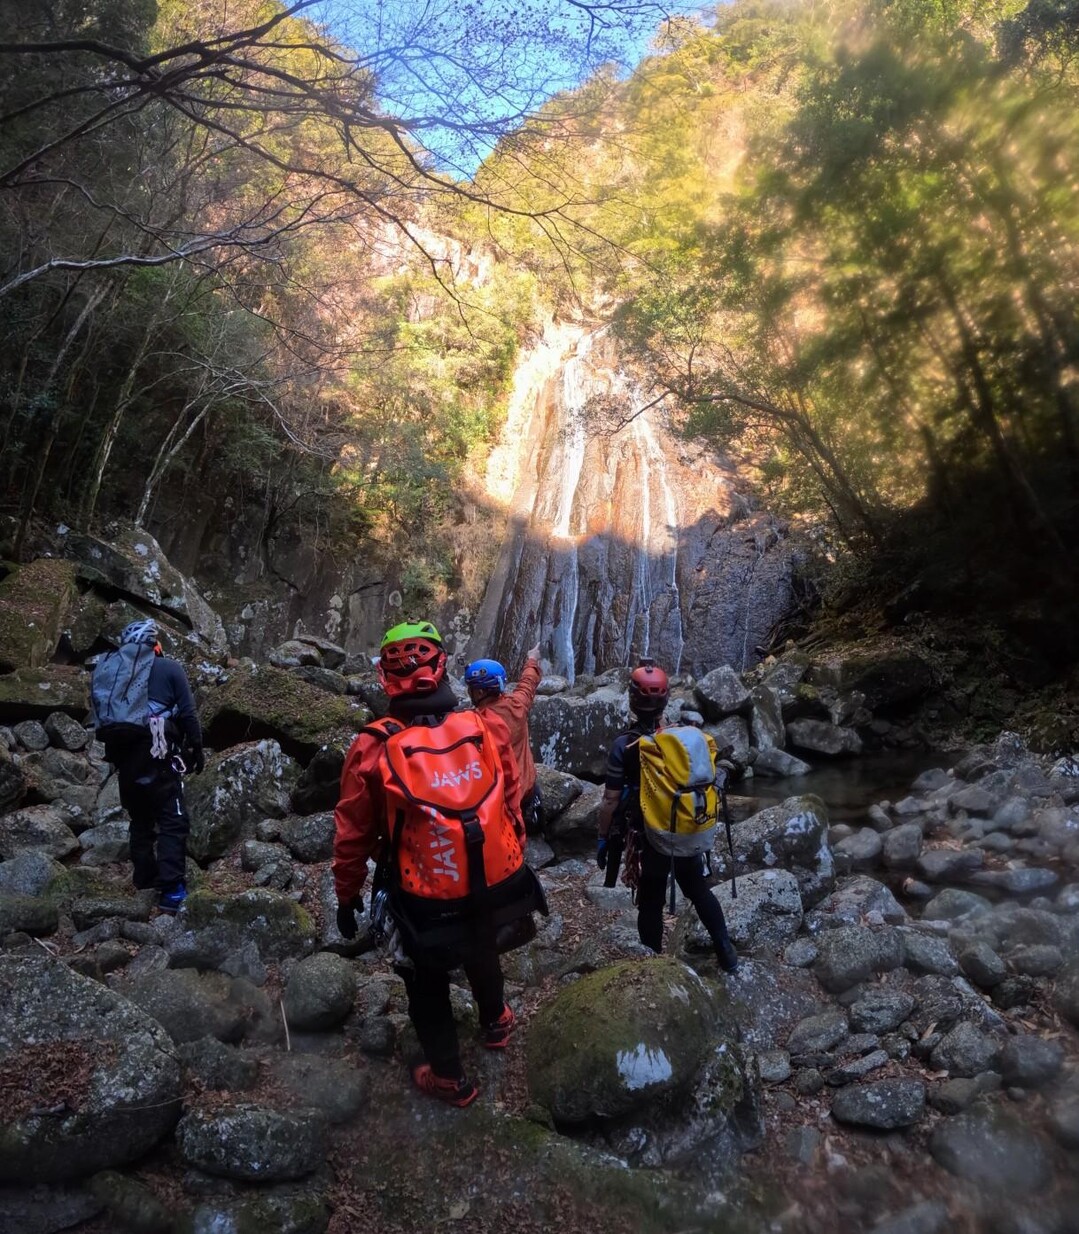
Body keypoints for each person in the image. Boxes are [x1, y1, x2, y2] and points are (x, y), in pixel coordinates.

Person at [333, 620, 531, 1108]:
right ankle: (496, 1021)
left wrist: (347, 893)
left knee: (423, 975)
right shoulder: (482, 726)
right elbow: (511, 796)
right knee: (480, 941)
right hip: (487, 873)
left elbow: (353, 830)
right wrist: (516, 846)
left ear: (384, 676)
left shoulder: (372, 745)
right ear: (443, 667)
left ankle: (449, 1076)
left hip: (418, 886)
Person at [596, 660, 738, 973]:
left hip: (650, 833)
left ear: (632, 700)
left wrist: (604, 838)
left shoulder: (624, 745)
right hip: (686, 823)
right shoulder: (684, 736)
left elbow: (610, 800)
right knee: (699, 890)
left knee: (650, 899)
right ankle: (725, 950)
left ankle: (655, 967)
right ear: (666, 700)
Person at [90, 618, 204, 913]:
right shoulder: (169, 668)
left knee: (141, 819)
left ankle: (144, 879)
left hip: (124, 756)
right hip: (158, 749)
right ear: (155, 644)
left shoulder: (113, 671)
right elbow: (189, 713)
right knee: (172, 818)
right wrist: (197, 748)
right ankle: (172, 892)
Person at [464, 643, 543, 831]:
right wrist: (532, 659)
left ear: (481, 692)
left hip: (502, 800)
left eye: (472, 688)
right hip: (529, 792)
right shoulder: (517, 705)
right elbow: (527, 683)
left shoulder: (475, 723)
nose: (469, 692)